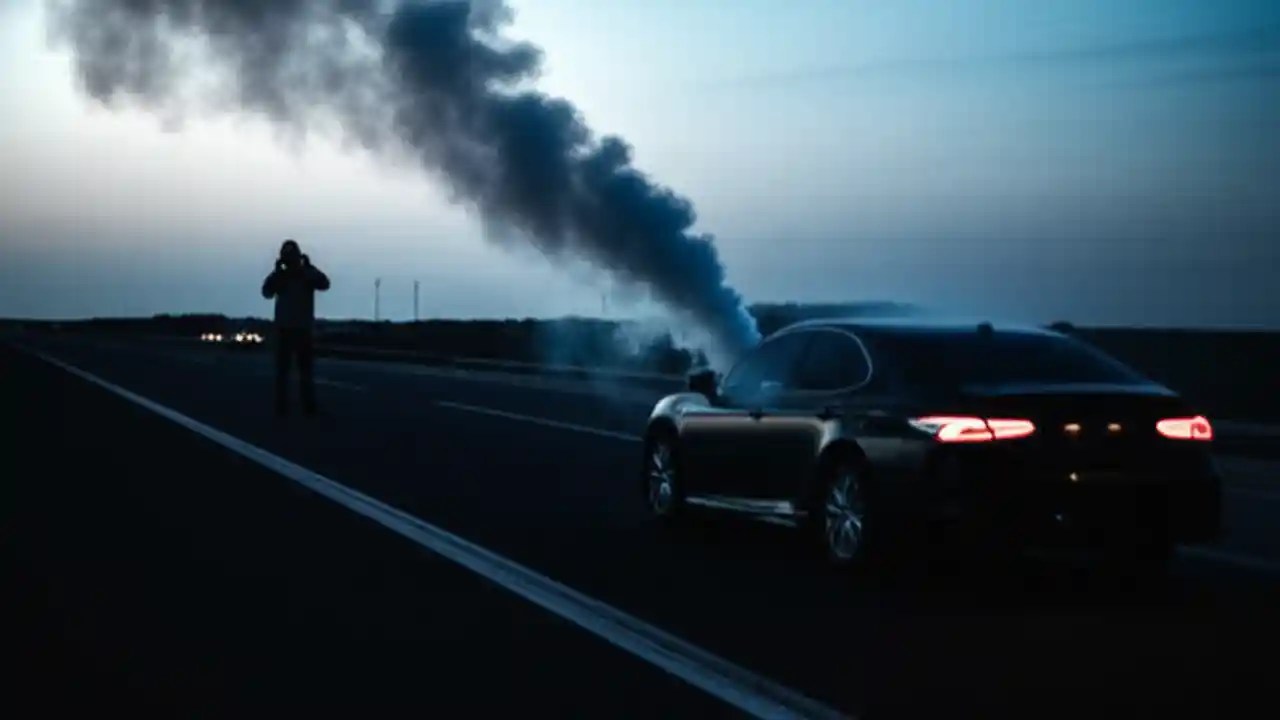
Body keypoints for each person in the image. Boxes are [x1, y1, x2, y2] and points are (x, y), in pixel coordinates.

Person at [261, 240, 330, 415]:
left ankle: (306, 406)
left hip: (301, 329)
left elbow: (324, 283)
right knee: (285, 373)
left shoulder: (307, 276)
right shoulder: (281, 277)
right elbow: (266, 292)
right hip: (287, 329)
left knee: (302, 372)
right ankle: (284, 406)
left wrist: (308, 269)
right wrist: (278, 274)